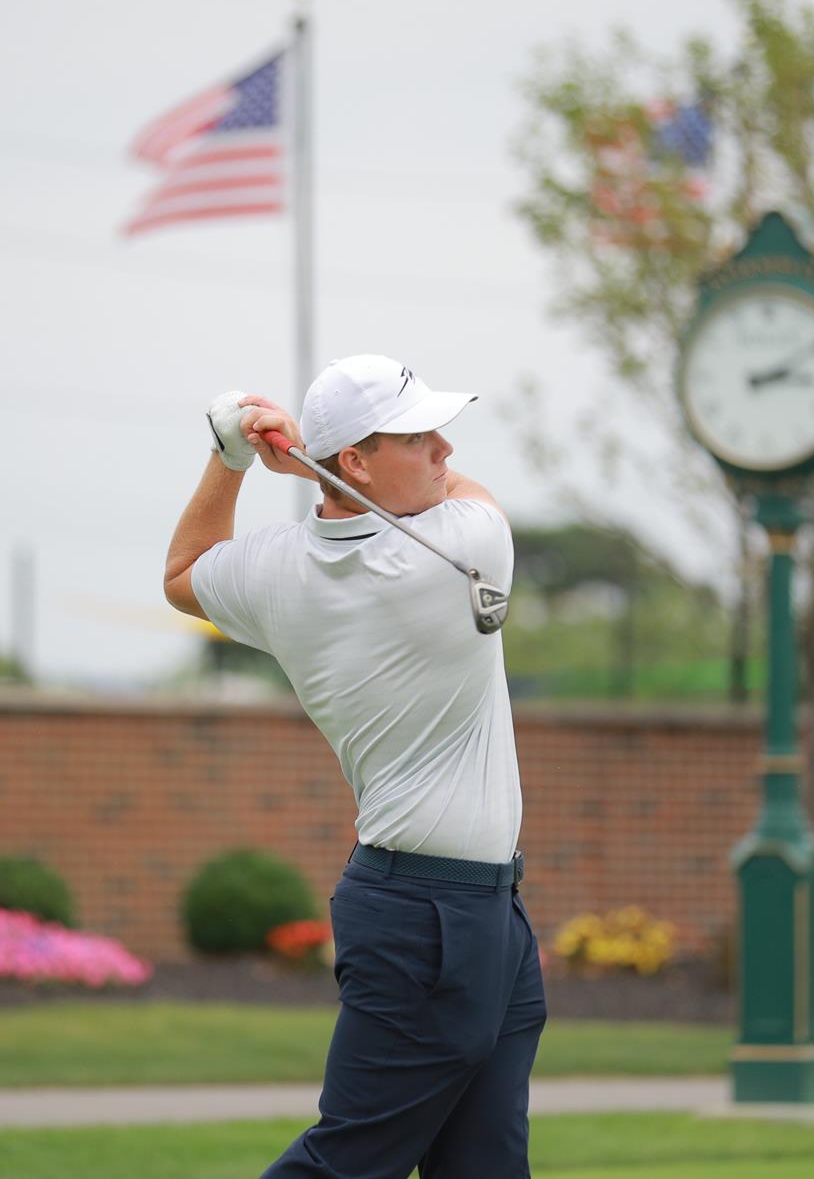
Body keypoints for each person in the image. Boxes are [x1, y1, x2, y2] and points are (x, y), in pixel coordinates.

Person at [162, 354, 545, 1179]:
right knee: (352, 1161)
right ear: (357, 464)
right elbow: (470, 498)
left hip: (472, 912)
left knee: (485, 1164)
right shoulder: (463, 546)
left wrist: (230, 456)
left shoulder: (279, 570)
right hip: (429, 916)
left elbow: (184, 575)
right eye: (416, 435)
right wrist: (308, 455)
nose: (445, 448)